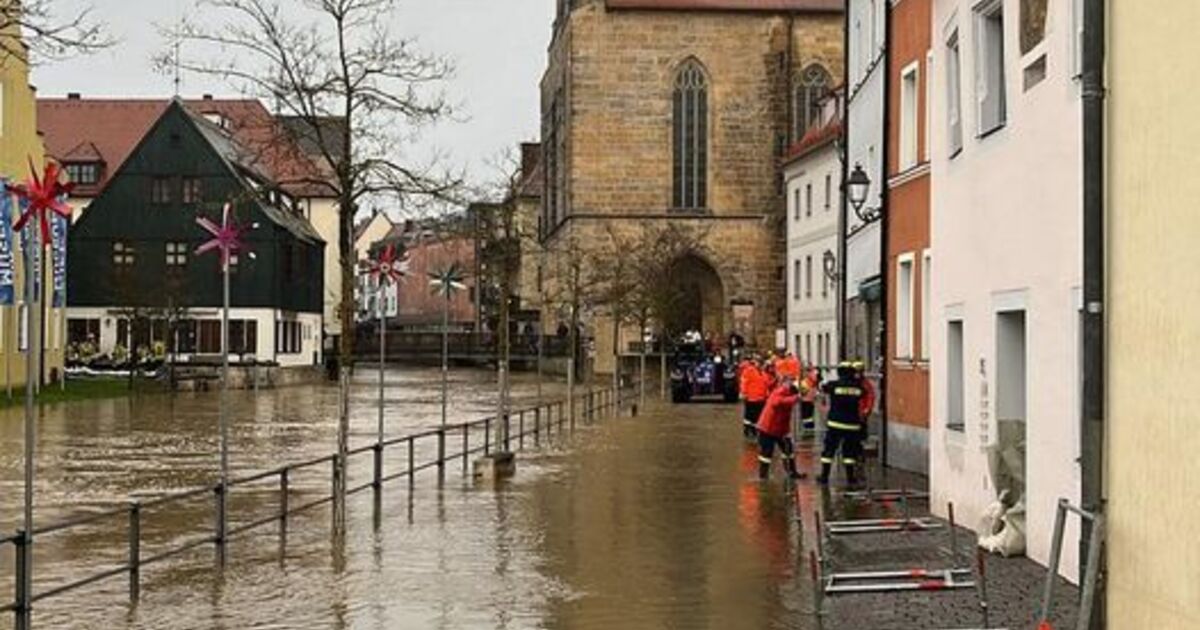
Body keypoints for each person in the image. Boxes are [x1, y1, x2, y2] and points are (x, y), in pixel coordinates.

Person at [817, 361, 868, 486]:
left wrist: (819, 378)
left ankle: (824, 476)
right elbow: (864, 393)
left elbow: (821, 387)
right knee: (849, 452)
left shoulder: (834, 385)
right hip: (852, 425)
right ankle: (850, 478)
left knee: (829, 451)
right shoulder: (858, 387)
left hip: (835, 424)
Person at [755, 376, 804, 480]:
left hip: (780, 429)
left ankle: (792, 473)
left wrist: (787, 431)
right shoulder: (780, 392)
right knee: (766, 454)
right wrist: (794, 398)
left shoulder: (787, 394)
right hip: (767, 429)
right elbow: (777, 402)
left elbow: (785, 416)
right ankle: (763, 476)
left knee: (788, 451)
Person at [739, 355, 770, 438]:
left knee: (758, 415)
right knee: (750, 415)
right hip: (751, 397)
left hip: (761, 398)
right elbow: (744, 382)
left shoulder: (763, 373)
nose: (759, 364)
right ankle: (748, 429)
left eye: (760, 363)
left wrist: (767, 395)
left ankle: (754, 429)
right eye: (758, 362)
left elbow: (766, 385)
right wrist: (744, 393)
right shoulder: (749, 371)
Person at [799, 364, 820, 434]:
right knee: (807, 416)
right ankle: (808, 429)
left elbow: (805, 389)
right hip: (808, 399)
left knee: (807, 416)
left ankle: (808, 430)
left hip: (807, 399)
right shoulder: (810, 377)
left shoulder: (810, 377)